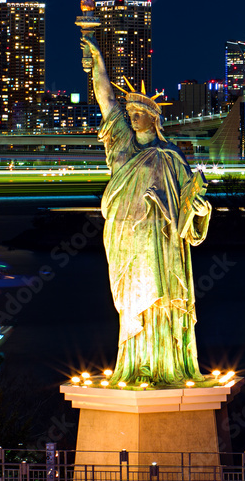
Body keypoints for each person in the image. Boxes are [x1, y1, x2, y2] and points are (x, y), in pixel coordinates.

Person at [80, 33, 211, 386]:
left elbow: (188, 207)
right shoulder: (121, 145)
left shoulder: (172, 158)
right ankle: (135, 364)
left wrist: (199, 210)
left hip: (161, 242)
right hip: (126, 238)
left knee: (161, 299)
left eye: (140, 114)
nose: (133, 117)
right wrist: (98, 65)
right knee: (131, 301)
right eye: (131, 113)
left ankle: (164, 364)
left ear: (155, 119)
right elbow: (107, 100)